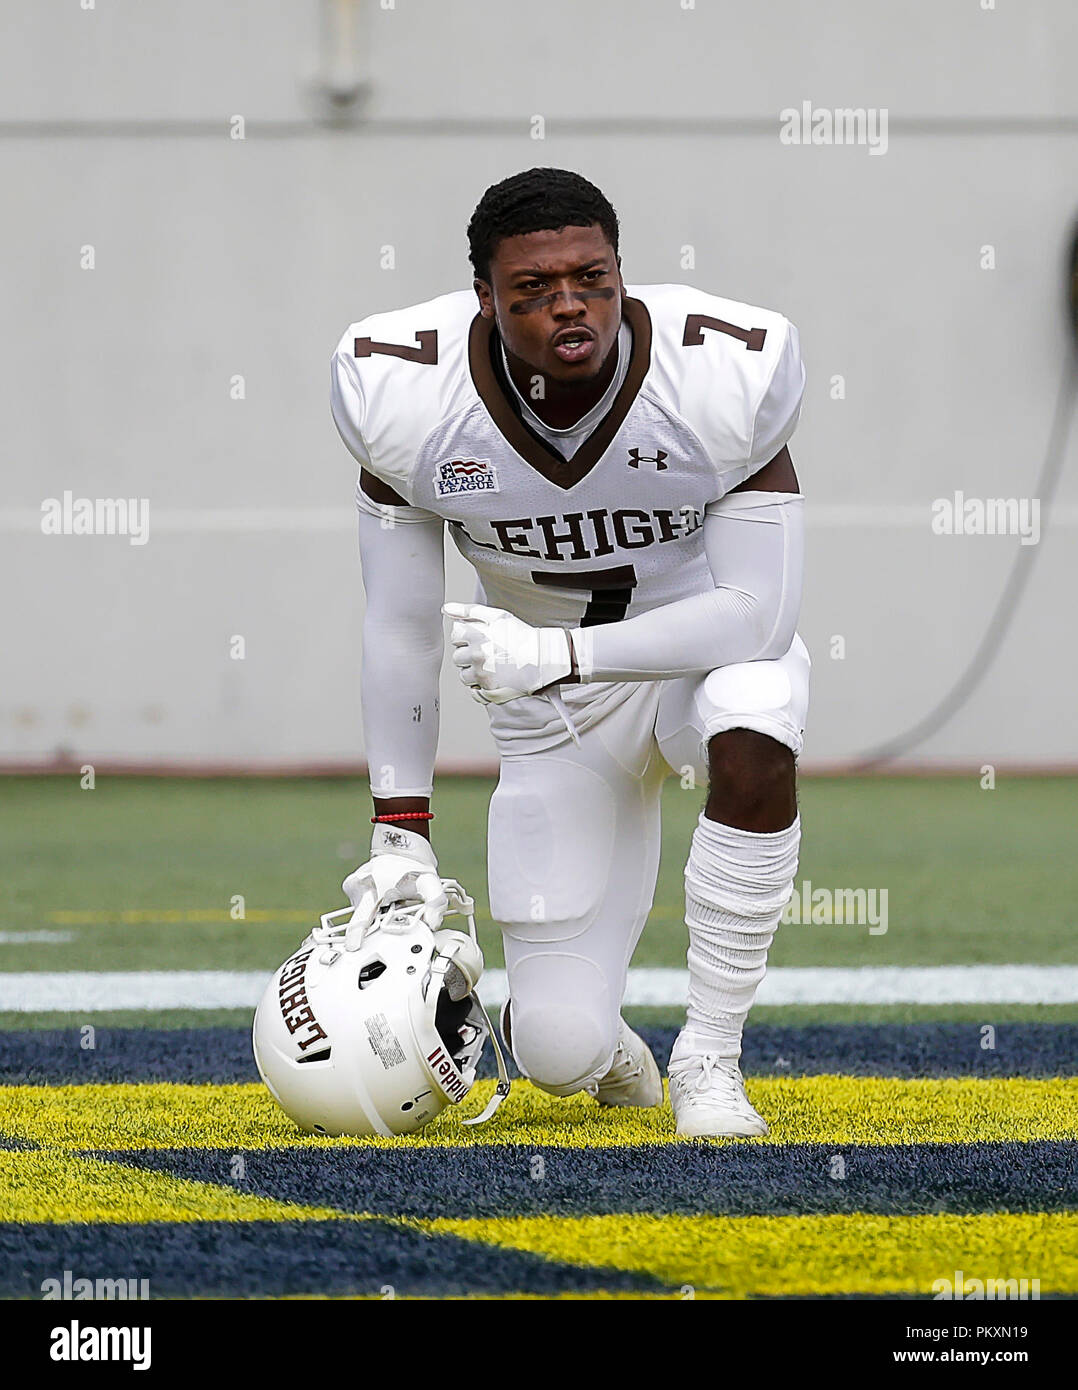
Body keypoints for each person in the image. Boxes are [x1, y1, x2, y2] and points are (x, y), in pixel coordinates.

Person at [330, 167, 809, 1137]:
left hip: (685, 660)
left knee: (756, 703)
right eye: (534, 290)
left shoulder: (723, 372)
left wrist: (566, 656)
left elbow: (756, 615)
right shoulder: (400, 394)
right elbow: (399, 623)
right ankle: (605, 1047)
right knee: (552, 1048)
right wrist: (400, 829)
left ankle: (710, 1058)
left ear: (622, 274)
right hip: (545, 709)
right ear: (483, 299)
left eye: (591, 278)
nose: (569, 306)